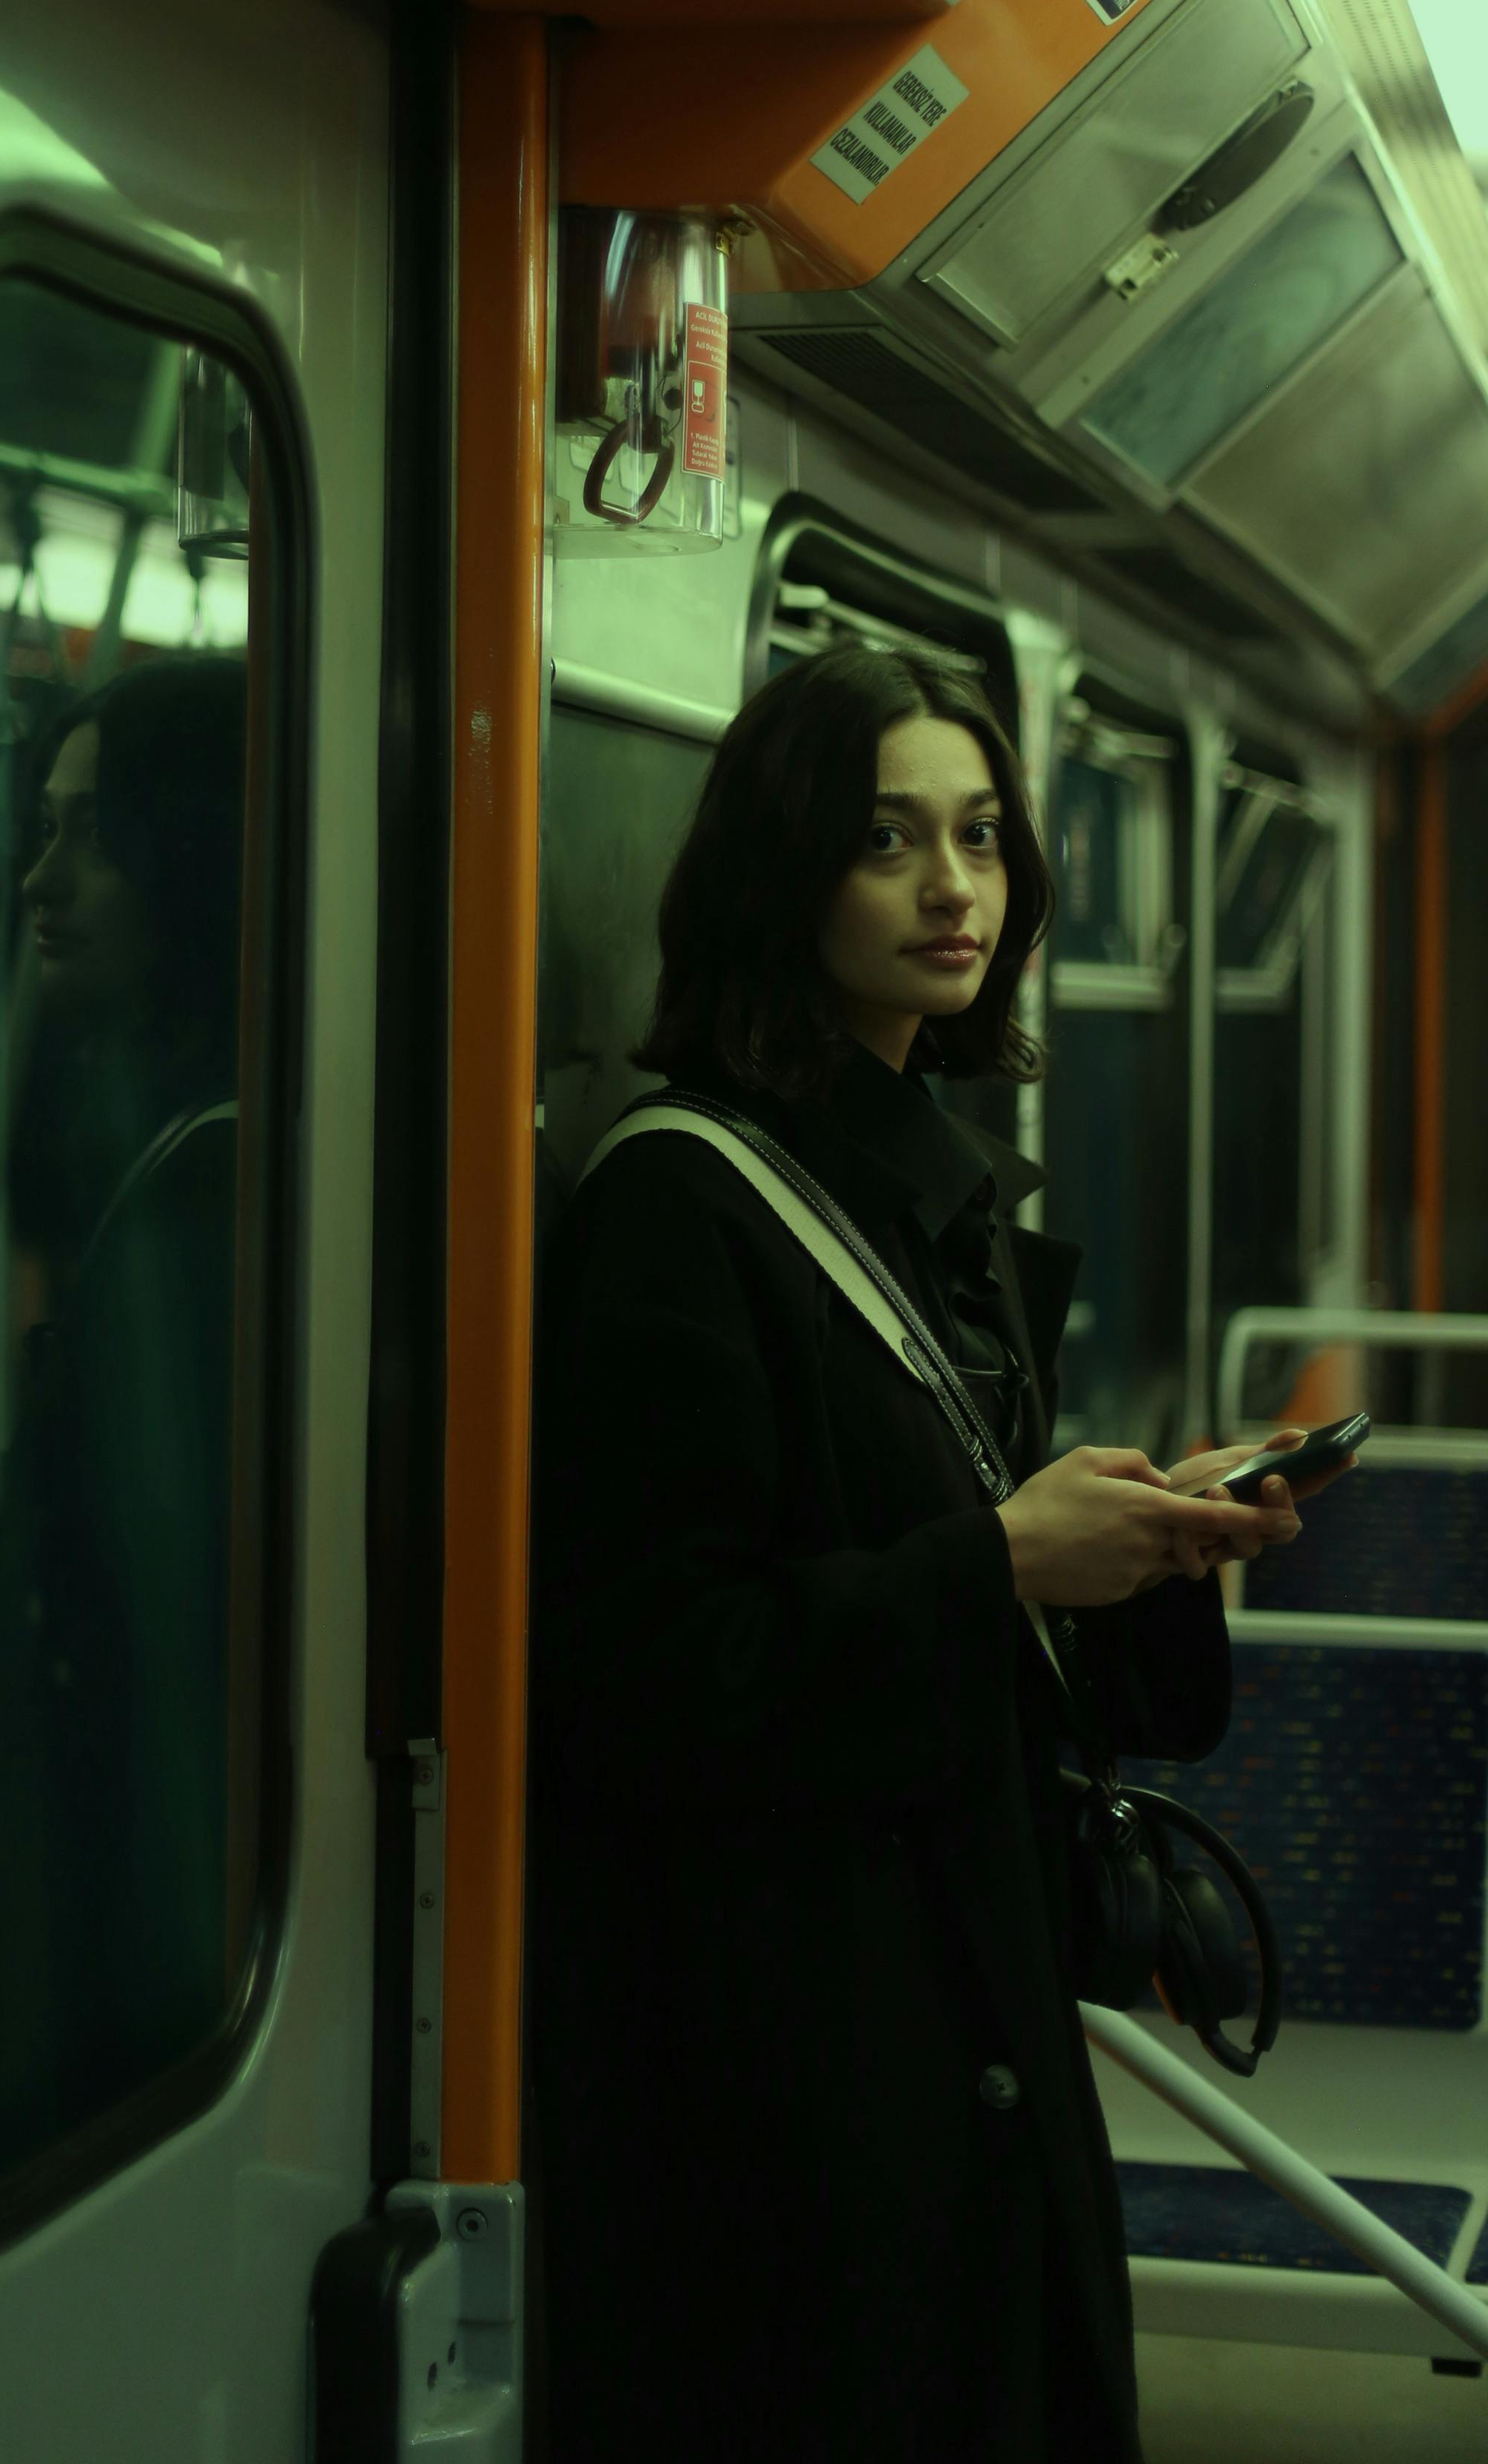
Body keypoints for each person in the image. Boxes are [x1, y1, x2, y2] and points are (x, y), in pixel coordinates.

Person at [527, 637, 1343, 2463]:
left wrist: (1136, 1548)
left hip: (948, 1996)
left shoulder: (929, 1196)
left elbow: (958, 1565)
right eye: (888, 838)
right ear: (781, 872)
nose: (952, 884)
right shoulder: (683, 1208)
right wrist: (997, 1564)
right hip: (799, 2054)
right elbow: (638, 1675)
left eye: (979, 836)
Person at [0, 652, 248, 2185]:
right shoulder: (112, 1105)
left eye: (95, 833)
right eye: (43, 829)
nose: (46, 877)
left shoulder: (221, 1176)